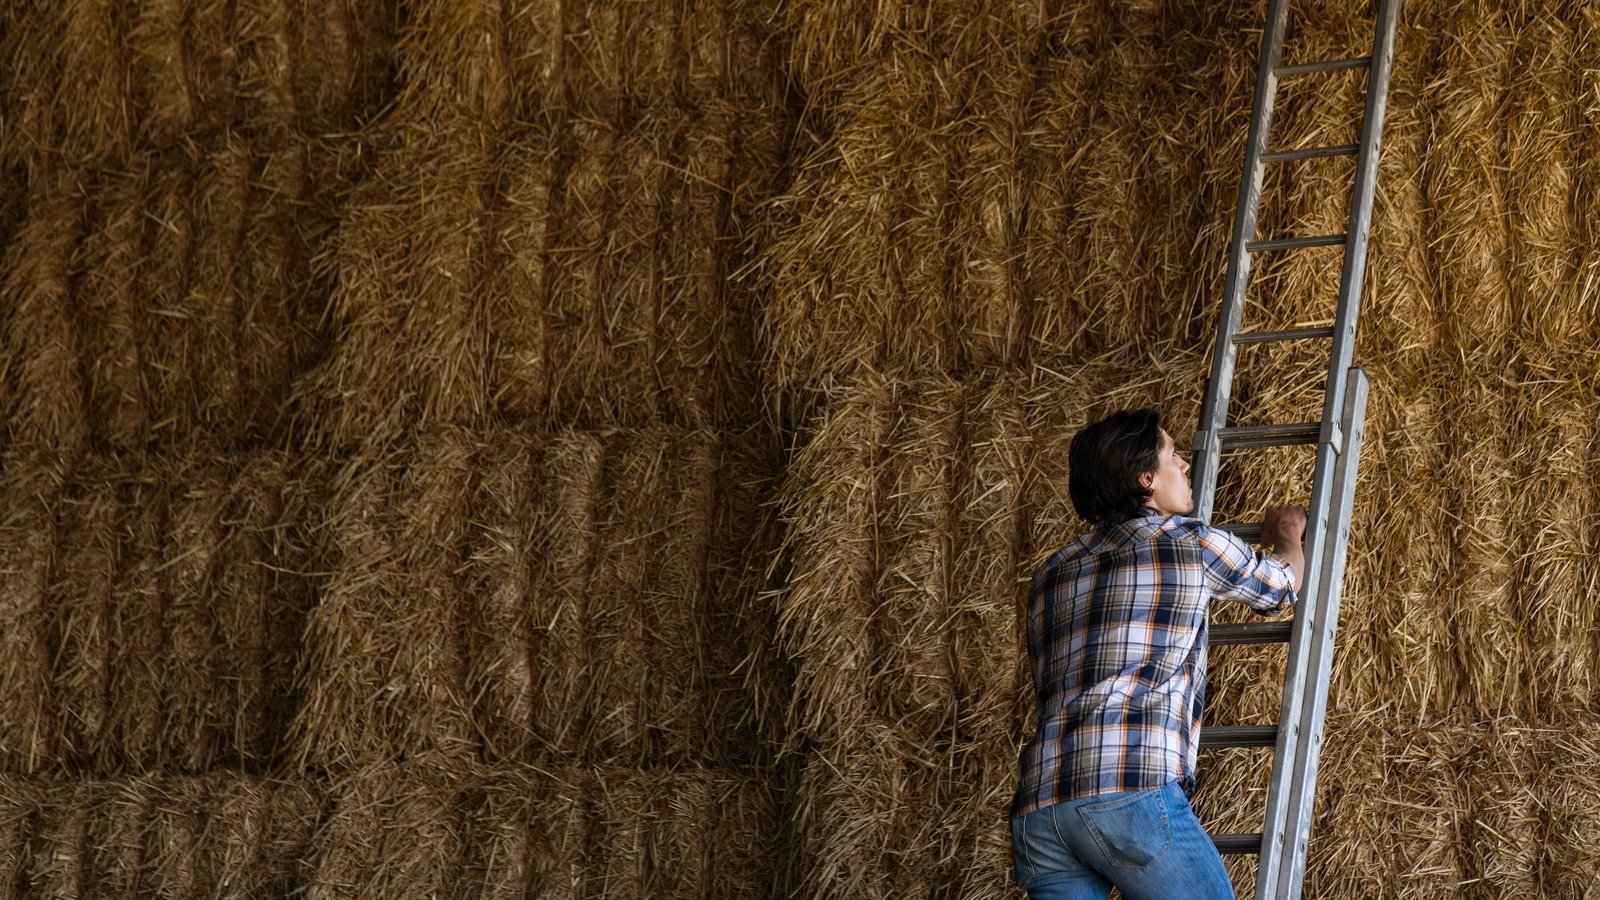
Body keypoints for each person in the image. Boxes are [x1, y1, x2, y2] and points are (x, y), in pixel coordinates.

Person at [1009, 408, 1306, 900]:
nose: (1185, 465)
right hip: (1128, 791)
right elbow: (1280, 586)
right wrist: (1288, 535)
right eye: (1172, 455)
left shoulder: (1050, 573)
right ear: (1145, 478)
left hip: (1042, 810)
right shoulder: (1191, 542)